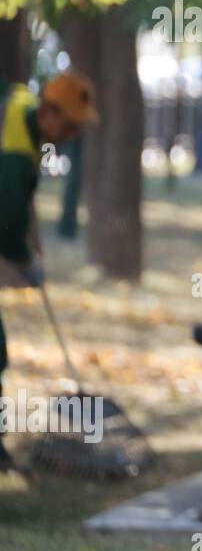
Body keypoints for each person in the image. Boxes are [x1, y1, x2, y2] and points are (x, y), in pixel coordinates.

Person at [0, 71, 99, 474]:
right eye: (70, 126)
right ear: (50, 114)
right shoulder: (17, 157)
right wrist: (26, 262)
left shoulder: (19, 102)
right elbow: (6, 226)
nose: (72, 135)